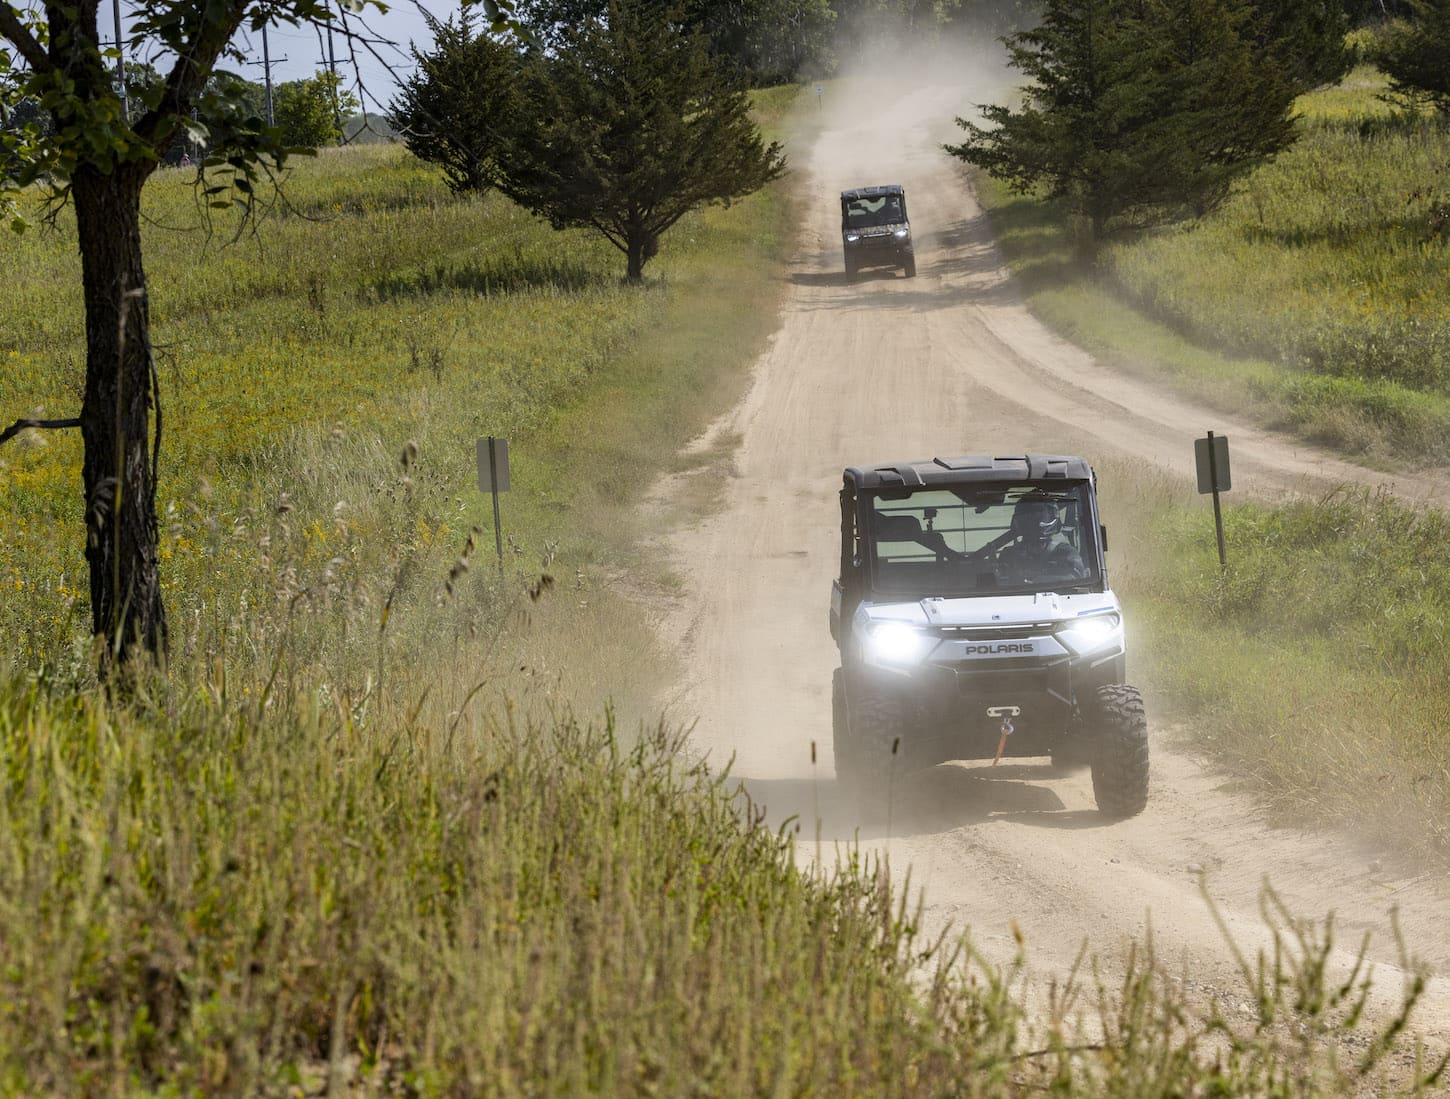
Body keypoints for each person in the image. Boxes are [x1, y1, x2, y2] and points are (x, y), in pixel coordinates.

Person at [997, 495, 1086, 582]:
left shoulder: (1065, 553)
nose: (1034, 522)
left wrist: (1039, 580)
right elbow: (998, 582)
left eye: (1039, 516)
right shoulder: (1009, 555)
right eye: (1029, 518)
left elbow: (1076, 580)